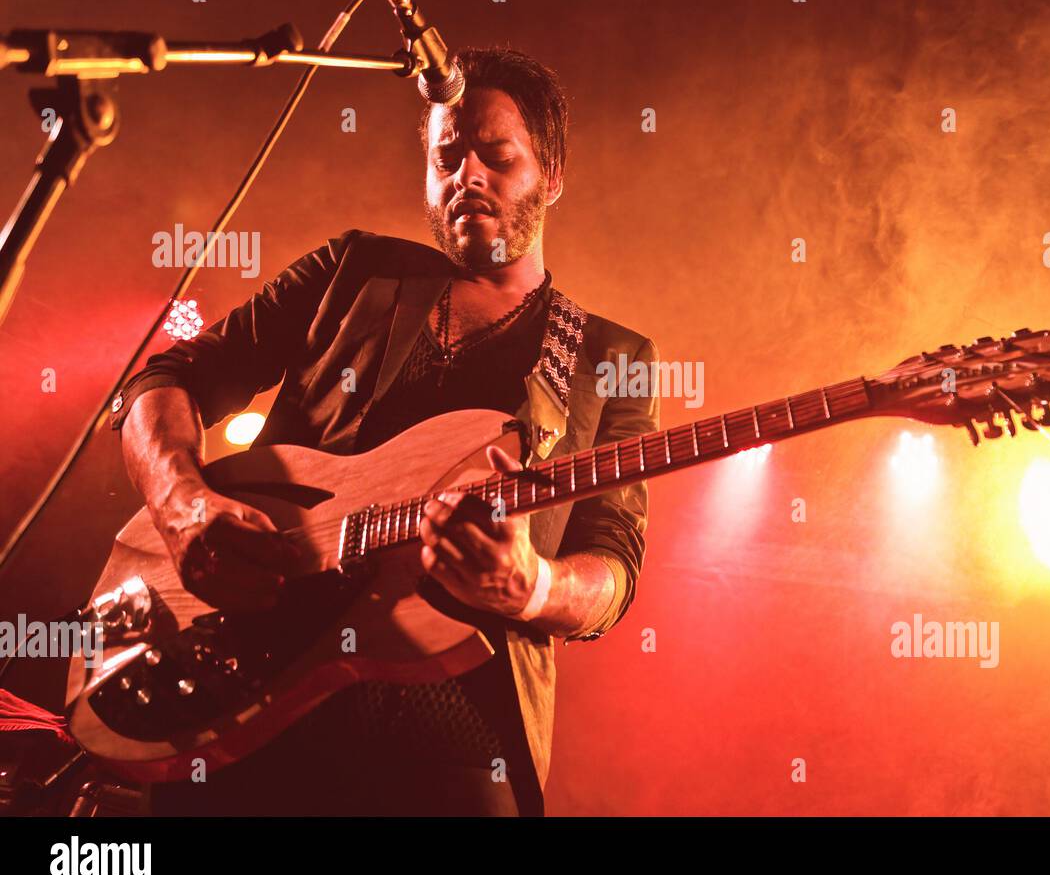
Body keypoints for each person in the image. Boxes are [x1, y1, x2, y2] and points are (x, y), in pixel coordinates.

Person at [110, 46, 659, 816]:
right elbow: (163, 378)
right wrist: (181, 502)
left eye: (497, 156)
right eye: (445, 157)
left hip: (453, 734)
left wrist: (534, 585)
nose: (466, 175)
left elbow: (614, 569)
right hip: (252, 691)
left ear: (553, 173)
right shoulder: (352, 272)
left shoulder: (611, 357)